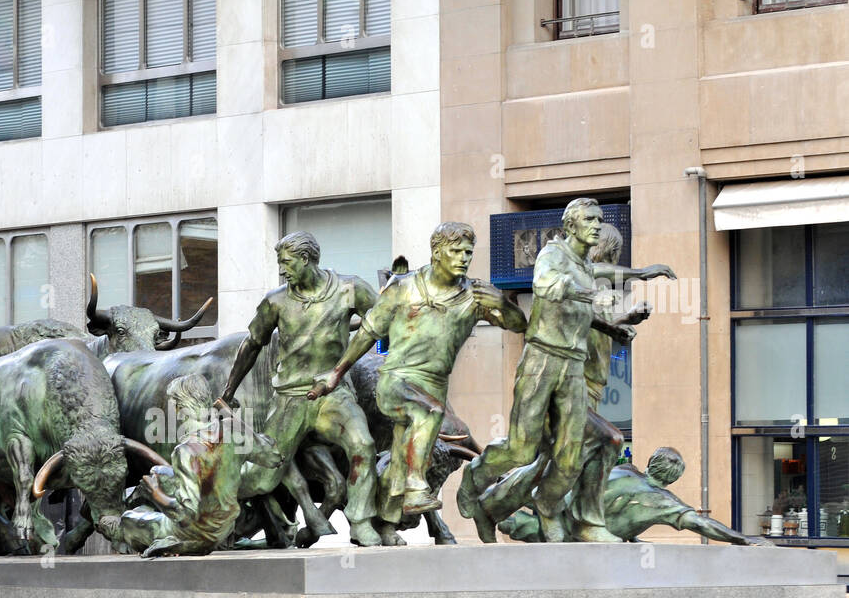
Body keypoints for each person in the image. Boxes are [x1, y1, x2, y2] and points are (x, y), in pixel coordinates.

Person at [457, 198, 674, 543]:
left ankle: (549, 505)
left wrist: (641, 273)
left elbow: (603, 272)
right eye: (589, 219)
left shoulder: (587, 263)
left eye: (599, 220)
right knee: (522, 449)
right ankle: (475, 475)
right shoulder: (552, 255)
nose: (596, 225)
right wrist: (589, 296)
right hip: (542, 359)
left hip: (572, 366)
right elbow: (547, 286)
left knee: (570, 455)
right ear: (571, 225)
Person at [308, 222, 527, 534]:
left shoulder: (475, 295)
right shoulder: (404, 288)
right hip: (395, 381)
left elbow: (519, 326)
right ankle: (415, 487)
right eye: (455, 251)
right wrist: (336, 372)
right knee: (429, 413)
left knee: (400, 459)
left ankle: (386, 521)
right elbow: (367, 333)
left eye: (468, 252)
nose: (463, 258)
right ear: (437, 252)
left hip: (434, 388)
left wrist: (501, 303)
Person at [219, 231, 382, 546]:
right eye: (281, 263)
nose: (283, 270)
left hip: (333, 396)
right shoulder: (276, 301)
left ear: (307, 259)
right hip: (289, 398)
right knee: (261, 476)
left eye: (287, 262)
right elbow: (252, 344)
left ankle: (361, 522)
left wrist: (342, 369)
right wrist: (228, 391)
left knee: (363, 445)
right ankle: (211, 507)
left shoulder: (350, 290)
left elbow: (382, 321)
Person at [119, 375, 281, 557]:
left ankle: (115, 523)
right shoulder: (232, 430)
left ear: (179, 408)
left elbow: (186, 515)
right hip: (226, 525)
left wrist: (157, 495)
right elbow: (273, 457)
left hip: (197, 533)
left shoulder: (186, 451)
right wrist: (236, 423)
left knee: (127, 520)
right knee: (159, 473)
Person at [501, 447, 765, 545]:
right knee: (516, 525)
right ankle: (511, 518)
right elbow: (701, 524)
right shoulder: (664, 501)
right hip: (582, 538)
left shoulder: (623, 470)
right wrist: (743, 539)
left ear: (650, 463)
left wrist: (631, 534)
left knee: (515, 513)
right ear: (673, 479)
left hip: (562, 510)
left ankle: (503, 497)